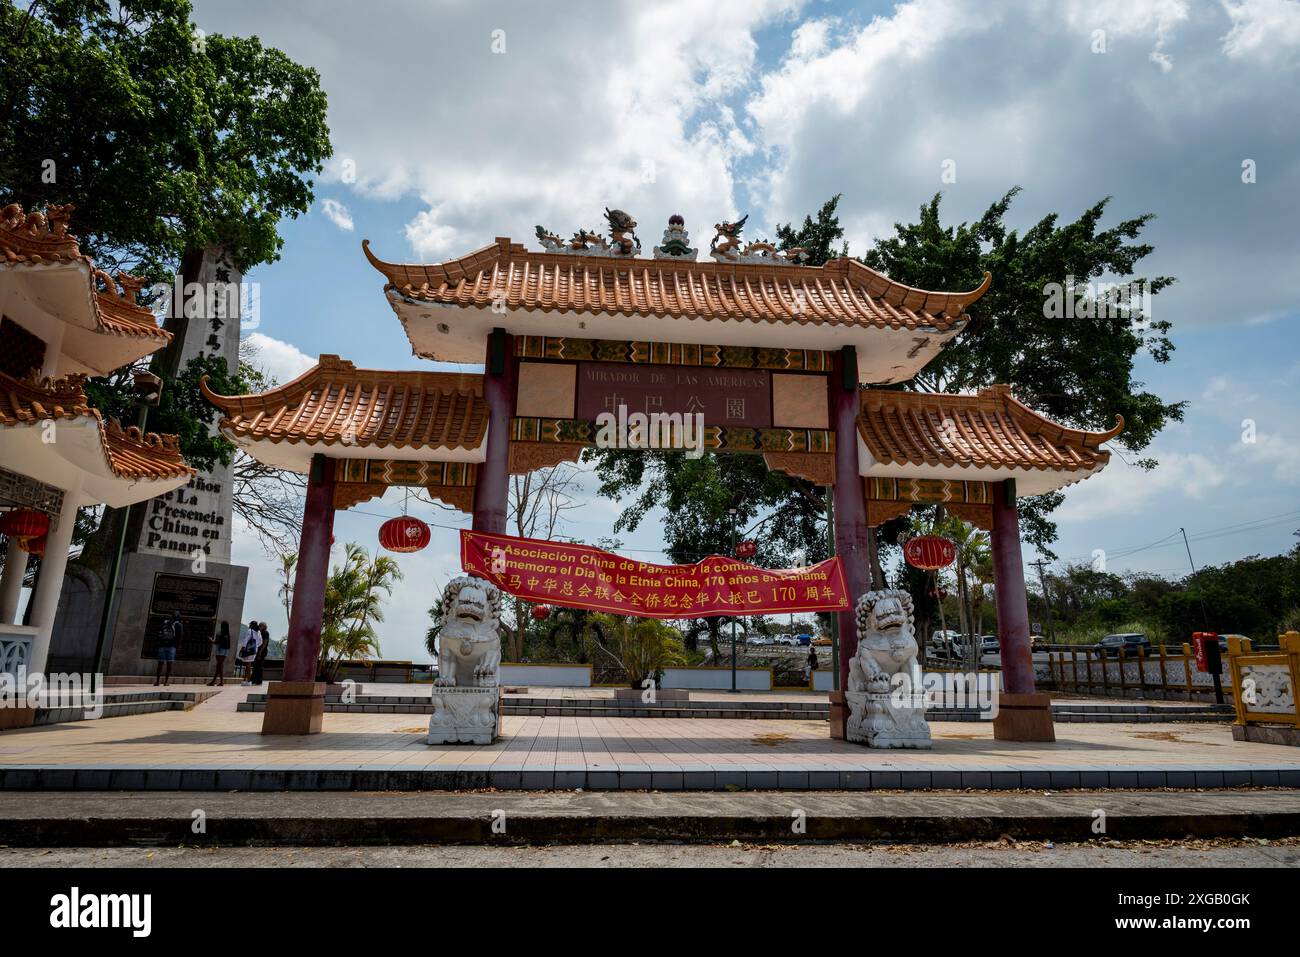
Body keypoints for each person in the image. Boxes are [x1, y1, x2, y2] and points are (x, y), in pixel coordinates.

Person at [154, 611, 183, 687]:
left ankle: (157, 681)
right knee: (169, 665)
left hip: (162, 645)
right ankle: (166, 682)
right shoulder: (179, 625)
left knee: (160, 664)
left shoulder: (165, 622)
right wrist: (178, 646)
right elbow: (180, 637)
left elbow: (158, 632)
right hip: (172, 646)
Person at [209, 620, 231, 686]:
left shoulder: (219, 633)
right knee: (219, 666)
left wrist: (211, 640)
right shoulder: (227, 634)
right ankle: (216, 681)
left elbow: (216, 642)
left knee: (219, 666)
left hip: (219, 650)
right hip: (226, 651)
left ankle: (218, 681)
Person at [238, 620, 260, 686]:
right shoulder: (258, 632)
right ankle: (246, 680)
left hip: (248, 650)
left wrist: (242, 648)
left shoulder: (250, 631)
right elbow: (260, 642)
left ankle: (249, 680)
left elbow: (246, 640)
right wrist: (255, 647)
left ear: (251, 625)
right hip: (254, 651)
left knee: (248, 666)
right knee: (249, 665)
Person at [253, 621, 271, 686]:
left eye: (261, 626)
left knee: (259, 665)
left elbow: (265, 643)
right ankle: (254, 679)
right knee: (256, 665)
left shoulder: (265, 633)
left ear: (264, 627)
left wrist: (260, 652)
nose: (259, 627)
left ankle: (259, 680)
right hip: (257, 650)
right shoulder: (258, 633)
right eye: (259, 625)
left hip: (262, 651)